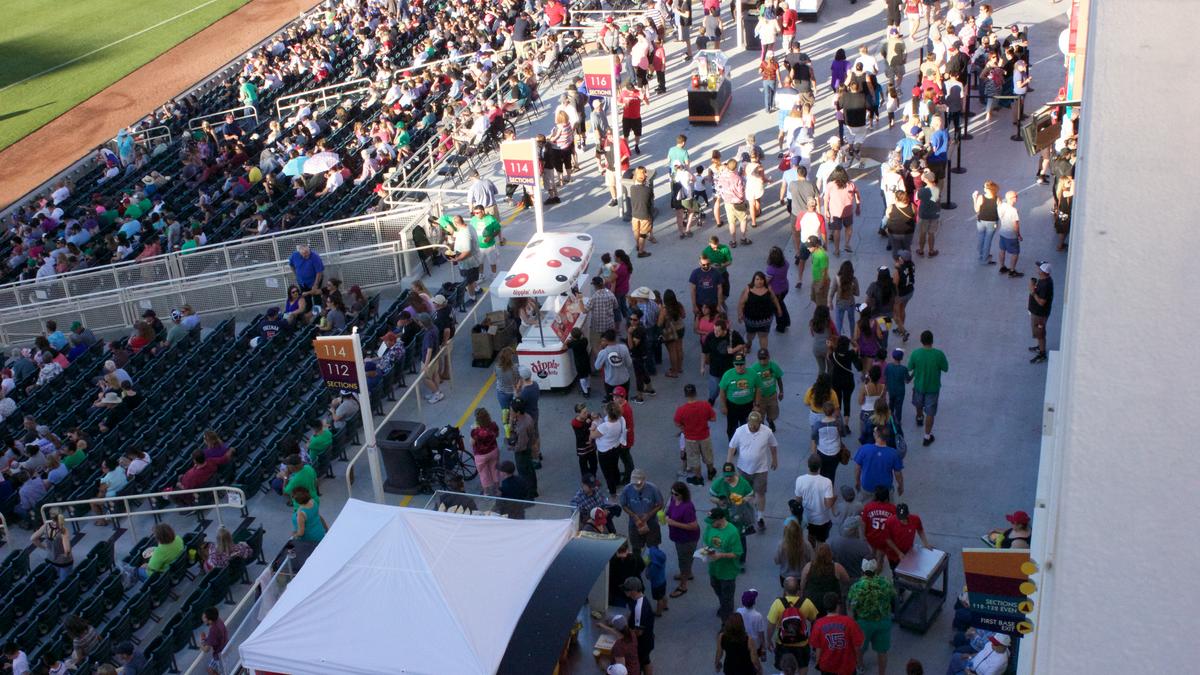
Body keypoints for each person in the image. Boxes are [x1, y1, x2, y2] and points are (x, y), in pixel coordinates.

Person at [727, 411, 778, 531]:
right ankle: (744, 516)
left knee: (760, 493)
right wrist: (728, 464)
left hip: (761, 469)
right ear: (748, 421)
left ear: (760, 422)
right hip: (743, 469)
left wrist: (775, 459)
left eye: (756, 424)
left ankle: (760, 517)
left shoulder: (767, 432)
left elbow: (773, 445)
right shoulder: (740, 431)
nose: (753, 427)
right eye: (751, 424)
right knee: (744, 494)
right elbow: (731, 447)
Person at [847, 559, 896, 675]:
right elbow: (893, 595)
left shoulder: (857, 587)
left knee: (860, 647)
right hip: (883, 620)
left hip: (864, 623)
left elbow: (852, 606)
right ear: (876, 569)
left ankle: (860, 666)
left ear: (862, 570)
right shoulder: (886, 582)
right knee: (882, 651)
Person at [703, 507, 744, 622]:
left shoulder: (732, 532)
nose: (711, 524)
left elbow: (737, 553)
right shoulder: (710, 526)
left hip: (727, 572)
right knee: (716, 588)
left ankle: (726, 623)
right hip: (714, 568)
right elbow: (706, 541)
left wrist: (721, 555)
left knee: (727, 597)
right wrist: (706, 551)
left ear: (720, 519)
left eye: (713, 522)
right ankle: (724, 605)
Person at [907, 330, 948, 446]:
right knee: (930, 413)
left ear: (921, 341)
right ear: (932, 341)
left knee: (918, 403)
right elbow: (945, 368)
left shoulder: (916, 353)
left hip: (919, 385)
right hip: (933, 388)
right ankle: (926, 436)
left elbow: (910, 367)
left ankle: (919, 417)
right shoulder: (939, 354)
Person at [810, 593, 865, 675]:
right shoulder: (849, 622)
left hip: (827, 666)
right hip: (847, 666)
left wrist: (818, 662)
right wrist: (858, 661)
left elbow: (818, 647)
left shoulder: (818, 624)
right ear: (838, 606)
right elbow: (857, 645)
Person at [674, 383, 718, 484]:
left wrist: (684, 427)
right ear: (695, 393)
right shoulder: (705, 405)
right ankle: (711, 472)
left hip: (690, 438)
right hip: (704, 436)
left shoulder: (681, 410)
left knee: (694, 458)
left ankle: (698, 478)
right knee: (708, 455)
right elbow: (713, 418)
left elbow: (677, 423)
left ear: (685, 395)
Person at [665, 481, 700, 598]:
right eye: (672, 493)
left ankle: (683, 585)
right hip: (678, 537)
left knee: (684, 561)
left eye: (676, 494)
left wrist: (673, 523)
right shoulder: (674, 500)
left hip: (687, 539)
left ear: (682, 494)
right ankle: (687, 574)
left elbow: (693, 526)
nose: (673, 496)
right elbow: (669, 511)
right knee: (685, 558)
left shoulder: (688, 507)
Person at [620, 468, 664, 558]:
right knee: (636, 549)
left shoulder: (653, 489)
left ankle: (654, 567)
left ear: (644, 480)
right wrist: (633, 515)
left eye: (639, 484)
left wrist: (649, 515)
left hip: (651, 522)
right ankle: (638, 568)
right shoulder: (626, 490)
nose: (637, 487)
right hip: (634, 523)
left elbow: (660, 504)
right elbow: (623, 505)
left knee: (654, 548)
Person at [794, 454, 836, 544]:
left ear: (808, 465)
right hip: (822, 519)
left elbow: (797, 501)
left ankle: (811, 554)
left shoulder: (800, 480)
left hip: (808, 517)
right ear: (820, 466)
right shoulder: (827, 482)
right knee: (821, 542)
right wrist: (834, 498)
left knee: (810, 537)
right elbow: (828, 504)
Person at [799, 543, 850, 616]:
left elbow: (802, 585)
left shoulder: (808, 567)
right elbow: (847, 580)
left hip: (814, 602)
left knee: (815, 620)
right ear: (830, 554)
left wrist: (803, 595)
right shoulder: (836, 567)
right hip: (831, 601)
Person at [719, 355, 761, 441]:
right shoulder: (727, 375)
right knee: (731, 428)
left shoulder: (753, 373)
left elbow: (758, 388)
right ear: (734, 364)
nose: (739, 366)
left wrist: (756, 404)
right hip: (732, 406)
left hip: (747, 406)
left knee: (747, 427)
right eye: (737, 364)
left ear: (745, 363)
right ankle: (732, 445)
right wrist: (723, 406)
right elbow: (722, 391)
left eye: (741, 364)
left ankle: (745, 444)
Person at [854, 425, 904, 497]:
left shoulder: (864, 449)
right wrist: (900, 486)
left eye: (874, 432)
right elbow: (898, 473)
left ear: (876, 435)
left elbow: (857, 468)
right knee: (887, 508)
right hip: (885, 490)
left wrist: (857, 482)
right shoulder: (894, 453)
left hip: (867, 488)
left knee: (865, 507)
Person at [507, 399, 539, 498]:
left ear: (518, 412)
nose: (510, 411)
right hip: (528, 448)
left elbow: (521, 445)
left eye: (511, 410)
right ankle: (533, 490)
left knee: (524, 473)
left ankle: (530, 493)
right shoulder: (526, 417)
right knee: (530, 471)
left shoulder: (522, 427)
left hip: (522, 452)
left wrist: (511, 447)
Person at [861, 488, 898, 570]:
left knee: (872, 554)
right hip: (884, 539)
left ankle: (871, 567)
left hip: (871, 537)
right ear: (887, 498)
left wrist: (864, 536)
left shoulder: (868, 507)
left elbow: (863, 523)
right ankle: (877, 573)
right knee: (880, 559)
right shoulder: (893, 509)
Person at [31, 511, 73, 580]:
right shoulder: (64, 531)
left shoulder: (46, 526)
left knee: (50, 579)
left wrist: (44, 547)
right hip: (64, 562)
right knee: (64, 582)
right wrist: (64, 556)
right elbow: (67, 550)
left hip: (50, 558)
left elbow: (33, 538)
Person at [946, 632, 1011, 675]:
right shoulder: (989, 644)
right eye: (993, 641)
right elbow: (980, 654)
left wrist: (968, 672)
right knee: (956, 656)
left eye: (995, 643)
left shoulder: (1000, 662)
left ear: (1003, 646)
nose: (992, 644)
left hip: (975, 673)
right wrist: (969, 656)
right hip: (971, 663)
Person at [775, 518, 815, 587]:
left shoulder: (781, 545)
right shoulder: (806, 544)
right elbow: (812, 560)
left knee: (787, 592)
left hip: (785, 576)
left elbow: (777, 561)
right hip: (801, 576)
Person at [595, 330, 635, 398]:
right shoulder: (624, 348)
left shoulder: (603, 353)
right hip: (624, 379)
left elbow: (597, 367)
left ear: (605, 340)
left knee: (612, 404)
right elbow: (629, 363)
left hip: (611, 381)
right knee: (624, 401)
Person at [1028, 261, 1054, 364]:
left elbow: (1042, 302)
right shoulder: (1044, 280)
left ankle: (1042, 354)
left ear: (1043, 272)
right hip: (1037, 313)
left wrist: (1032, 291)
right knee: (1039, 333)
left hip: (1040, 315)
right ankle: (1040, 347)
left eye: (1039, 268)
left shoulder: (1045, 285)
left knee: (1040, 334)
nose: (1037, 268)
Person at [471, 408, 500, 496]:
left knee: (483, 473)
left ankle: (486, 492)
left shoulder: (475, 431)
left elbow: (472, 443)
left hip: (481, 455)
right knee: (494, 469)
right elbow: (497, 435)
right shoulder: (493, 425)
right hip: (493, 451)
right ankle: (497, 490)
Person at [972, 181, 1001, 266]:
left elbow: (976, 210)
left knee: (981, 237)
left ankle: (981, 254)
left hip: (981, 221)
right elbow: (999, 211)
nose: (983, 188)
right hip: (992, 221)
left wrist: (974, 198)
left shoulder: (981, 197)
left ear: (988, 189)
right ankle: (985, 258)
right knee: (988, 240)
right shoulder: (997, 198)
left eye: (984, 187)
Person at [629, 166, 655, 258]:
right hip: (645, 215)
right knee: (643, 234)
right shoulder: (648, 190)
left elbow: (634, 181)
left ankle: (637, 245)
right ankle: (641, 251)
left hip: (635, 214)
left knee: (636, 231)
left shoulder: (632, 188)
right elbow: (651, 199)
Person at [199, 606, 228, 675]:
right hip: (226, 646)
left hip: (219, 654)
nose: (203, 618)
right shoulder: (218, 620)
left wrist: (200, 645)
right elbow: (214, 638)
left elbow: (206, 650)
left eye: (205, 617)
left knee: (210, 670)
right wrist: (206, 639)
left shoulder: (213, 630)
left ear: (210, 621)